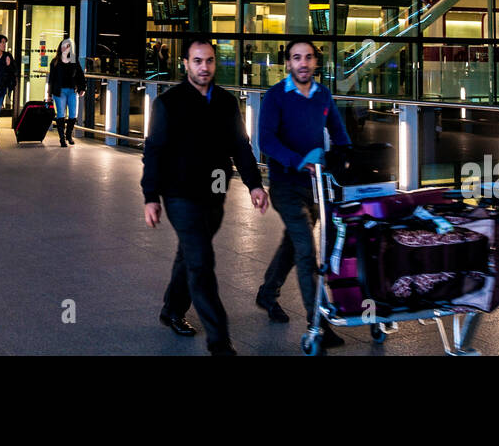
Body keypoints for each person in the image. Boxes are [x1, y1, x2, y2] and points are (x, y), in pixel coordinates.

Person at [142, 36, 268, 356]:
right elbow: (154, 151)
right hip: (179, 193)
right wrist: (151, 196)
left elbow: (240, 145)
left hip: (214, 189)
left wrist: (254, 184)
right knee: (201, 262)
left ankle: (171, 309)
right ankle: (219, 341)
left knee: (191, 253)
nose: (204, 67)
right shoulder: (168, 103)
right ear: (185, 64)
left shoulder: (226, 101)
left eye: (209, 60)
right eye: (197, 61)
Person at [255, 38, 351, 346]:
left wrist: (347, 158)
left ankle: (268, 293)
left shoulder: (323, 95)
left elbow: (339, 132)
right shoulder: (275, 96)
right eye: (297, 58)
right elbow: (266, 142)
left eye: (308, 57)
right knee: (306, 250)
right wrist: (299, 161)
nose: (303, 63)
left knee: (293, 244)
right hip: (285, 185)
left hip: (316, 186)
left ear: (315, 62)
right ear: (288, 63)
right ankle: (317, 324)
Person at [46, 38, 86, 148]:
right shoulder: (55, 61)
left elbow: (80, 75)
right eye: (63, 45)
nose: (65, 47)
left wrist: (82, 88)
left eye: (68, 46)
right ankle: (62, 139)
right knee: (61, 114)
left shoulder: (74, 60)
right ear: (60, 47)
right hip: (59, 92)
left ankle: (68, 135)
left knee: (73, 114)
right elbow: (51, 79)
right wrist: (49, 94)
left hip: (72, 91)